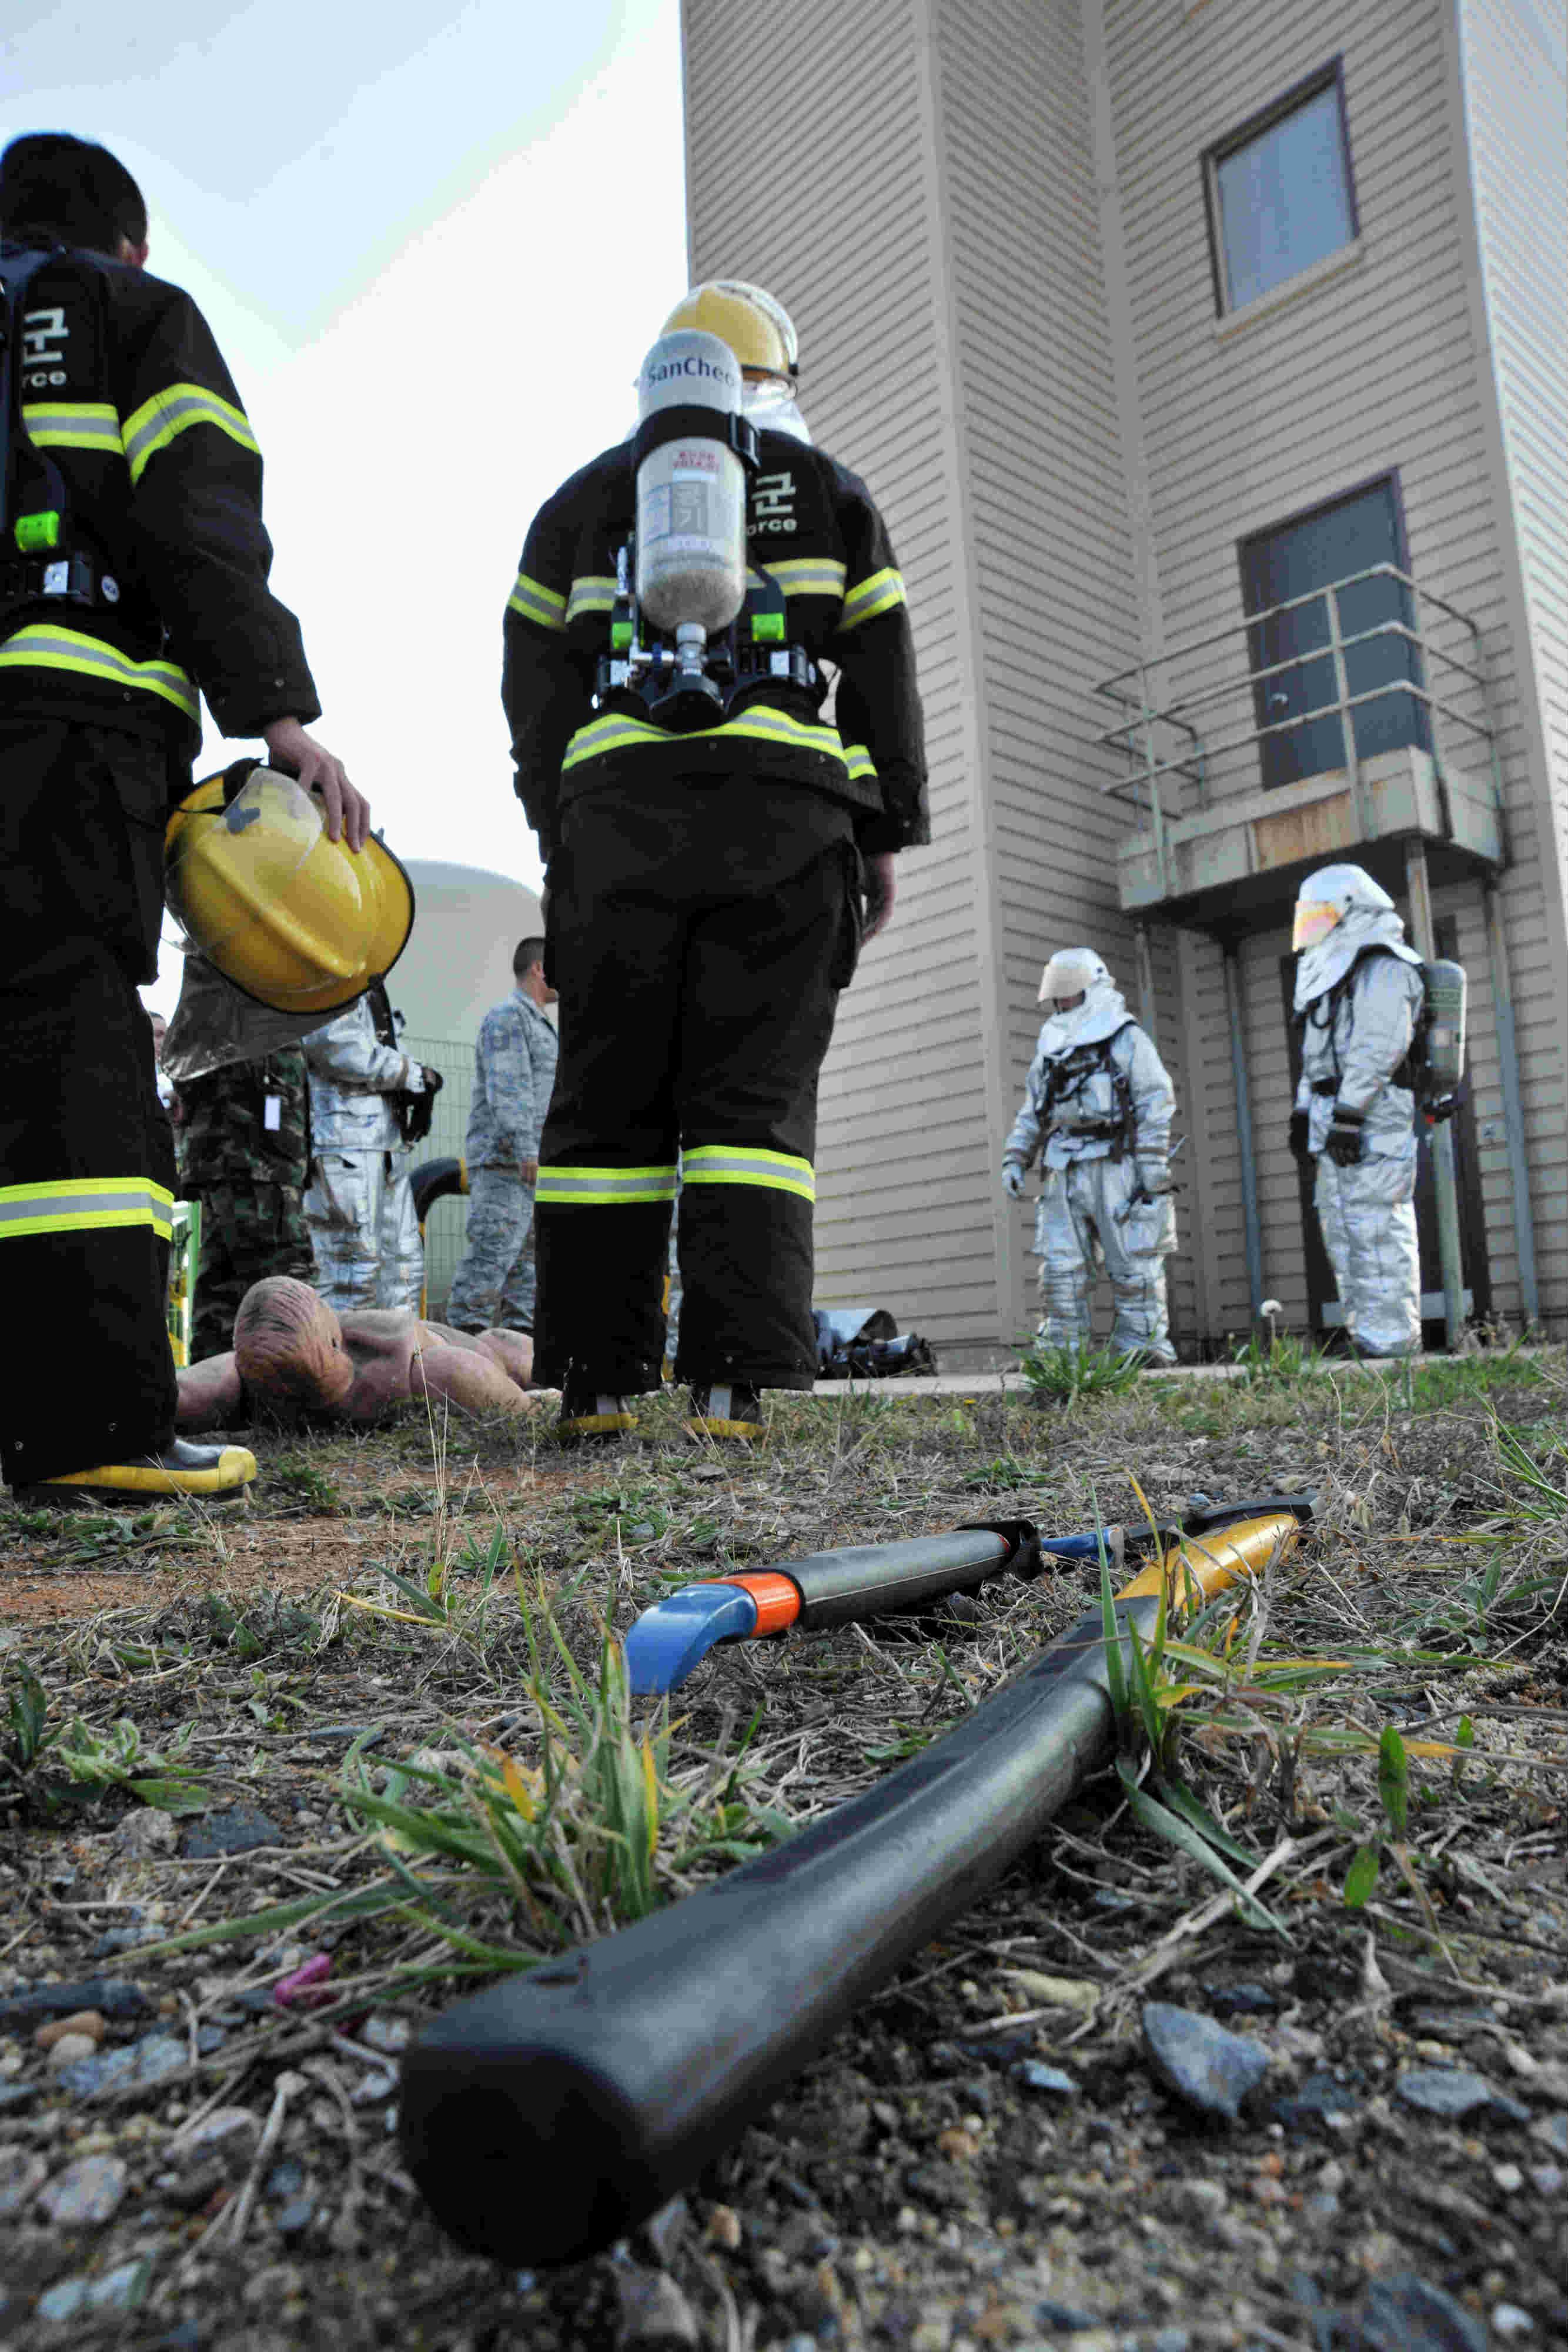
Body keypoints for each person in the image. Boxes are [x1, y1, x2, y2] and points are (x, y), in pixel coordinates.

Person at [0, 132, 366, 1504]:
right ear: (128, 239)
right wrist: (277, 712)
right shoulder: (130, 312)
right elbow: (196, 514)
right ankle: (92, 1419)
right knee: (72, 1038)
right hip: (68, 720)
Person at [506, 280, 928, 1440]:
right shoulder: (826, 488)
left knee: (606, 1108)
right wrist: (882, 828)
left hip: (613, 829)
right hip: (783, 827)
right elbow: (881, 666)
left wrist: (558, 827)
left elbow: (532, 685)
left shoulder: (583, 502)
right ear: (779, 375)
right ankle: (734, 1385)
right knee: (751, 1106)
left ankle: (594, 1386)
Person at [1001, 947, 1178, 1365]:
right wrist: (1016, 1157)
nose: (1062, 1003)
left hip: (1117, 1162)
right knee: (1061, 1267)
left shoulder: (1126, 1039)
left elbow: (1155, 1100)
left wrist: (1151, 1165)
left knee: (1133, 1260)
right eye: (1058, 996)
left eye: (1069, 994)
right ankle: (1062, 1354)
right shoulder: (1051, 1049)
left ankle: (1143, 1348)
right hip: (1063, 1165)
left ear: (1093, 990)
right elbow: (1034, 1111)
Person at [1290, 863, 1426, 1358]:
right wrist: (1303, 1113)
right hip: (1333, 1112)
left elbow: (1378, 1048)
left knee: (1375, 1224)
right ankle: (1366, 1333)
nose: (1312, 927)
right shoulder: (1330, 977)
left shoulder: (1384, 968)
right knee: (1341, 1226)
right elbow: (1315, 1059)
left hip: (1373, 1111)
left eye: (1320, 915)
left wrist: (1349, 1115)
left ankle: (1393, 1338)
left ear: (1351, 911)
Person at [175, 1276, 540, 1426]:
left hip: (478, 1351)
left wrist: (538, 1402)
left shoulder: (423, 1365)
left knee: (505, 1347)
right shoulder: (247, 1373)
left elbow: (527, 1408)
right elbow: (174, 1395)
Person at [302, 980, 439, 1315]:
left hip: (385, 1145)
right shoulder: (328, 975)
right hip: (346, 1146)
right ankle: (339, 1348)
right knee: (352, 1272)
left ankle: (398, 1345)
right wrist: (411, 1074)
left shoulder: (368, 983)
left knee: (404, 1268)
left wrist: (415, 1081)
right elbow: (334, 1042)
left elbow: (377, 1044)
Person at [446, 935, 558, 1337]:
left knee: (527, 1272)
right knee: (489, 1262)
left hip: (530, 1168)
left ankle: (519, 1355)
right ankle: (461, 1349)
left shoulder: (539, 1023)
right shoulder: (510, 1017)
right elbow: (509, 1089)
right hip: (506, 1165)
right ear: (539, 968)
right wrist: (527, 1150)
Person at [174, 1040, 315, 1360]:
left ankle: (216, 1385)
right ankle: (275, 1386)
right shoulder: (252, 1022)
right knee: (282, 1289)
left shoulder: (221, 1020)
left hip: (246, 1169)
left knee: (222, 1295)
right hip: (254, 1171)